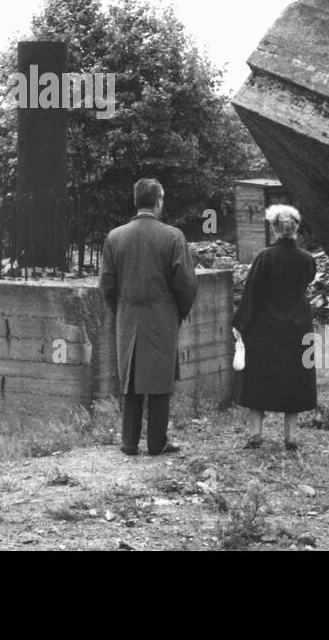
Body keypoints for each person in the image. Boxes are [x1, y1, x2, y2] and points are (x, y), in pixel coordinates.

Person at [99, 178, 199, 456]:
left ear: (136, 201)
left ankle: (129, 442)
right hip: (162, 314)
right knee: (159, 380)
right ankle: (157, 442)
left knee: (129, 379)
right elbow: (187, 283)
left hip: (128, 315)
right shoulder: (173, 236)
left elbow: (106, 284)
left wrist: (121, 309)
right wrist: (177, 311)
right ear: (158, 202)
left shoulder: (115, 236)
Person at [232, 203, 317, 450]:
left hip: (264, 327)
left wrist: (239, 324)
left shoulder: (264, 257)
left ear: (273, 228)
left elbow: (251, 294)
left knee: (258, 378)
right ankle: (290, 437)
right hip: (298, 326)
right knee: (295, 379)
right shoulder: (307, 259)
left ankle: (255, 435)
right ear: (296, 228)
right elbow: (306, 283)